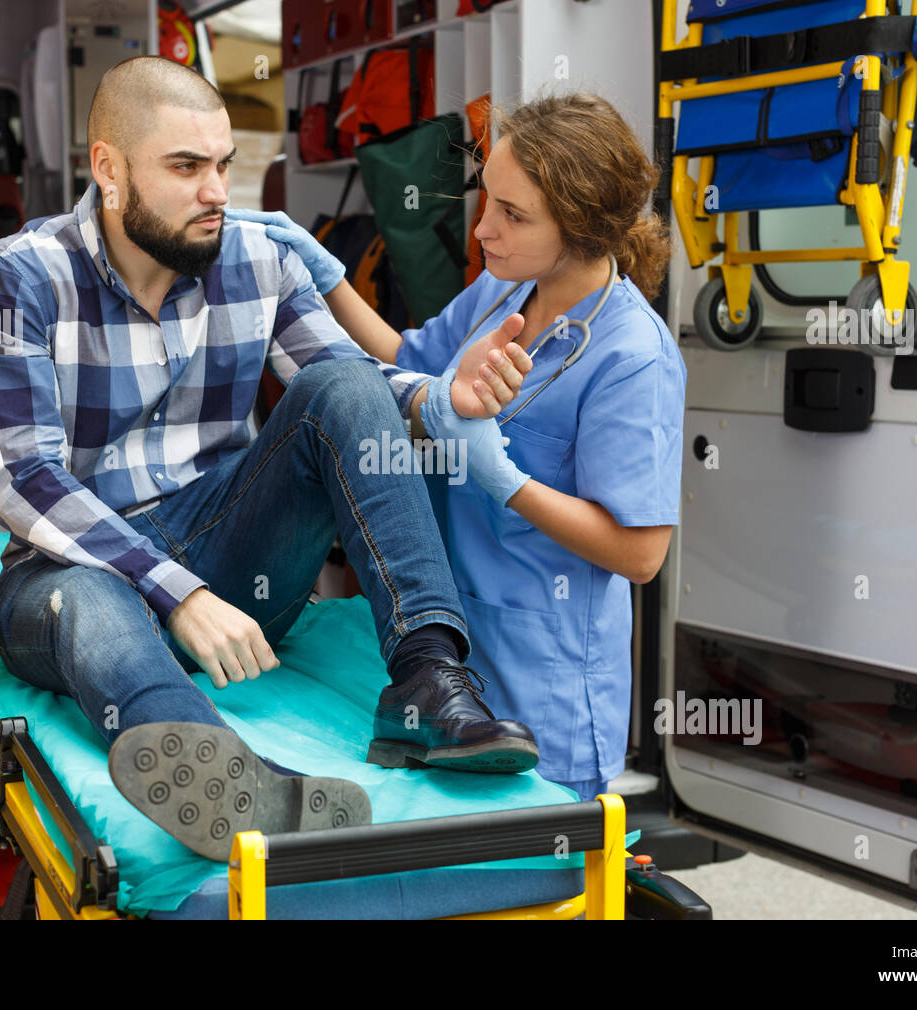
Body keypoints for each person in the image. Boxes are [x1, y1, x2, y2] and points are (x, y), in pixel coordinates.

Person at [0, 57, 544, 860]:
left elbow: (354, 389)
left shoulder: (257, 257)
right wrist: (177, 593)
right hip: (69, 571)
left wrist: (445, 400)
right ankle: (235, 781)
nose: (217, 192)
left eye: (224, 164)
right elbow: (20, 477)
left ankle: (427, 685)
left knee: (340, 386)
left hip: (230, 557)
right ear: (109, 169)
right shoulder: (17, 279)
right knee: (92, 601)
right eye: (187, 167)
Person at [229, 92, 686, 801]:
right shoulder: (503, 297)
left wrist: (502, 478)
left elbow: (641, 553)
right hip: (449, 664)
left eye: (513, 215)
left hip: (545, 681)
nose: (482, 230)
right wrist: (328, 277)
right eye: (487, 203)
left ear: (584, 224)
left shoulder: (633, 358)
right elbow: (403, 361)